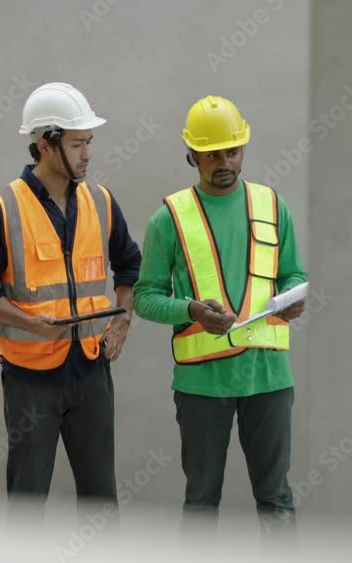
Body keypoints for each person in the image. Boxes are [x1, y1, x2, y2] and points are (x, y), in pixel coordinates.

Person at [0, 82, 141, 517]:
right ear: (45, 144)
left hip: (91, 369)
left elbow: (129, 264)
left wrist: (122, 321)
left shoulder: (101, 202)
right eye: (78, 144)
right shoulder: (0, 209)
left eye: (89, 142)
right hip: (30, 380)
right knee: (27, 500)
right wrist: (29, 322)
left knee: (101, 500)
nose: (87, 154)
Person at [132, 96, 307, 535]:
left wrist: (292, 297)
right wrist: (189, 309)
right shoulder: (168, 220)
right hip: (202, 385)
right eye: (212, 155)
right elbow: (145, 297)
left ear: (244, 148)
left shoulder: (273, 206)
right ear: (192, 154)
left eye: (232, 151)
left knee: (276, 500)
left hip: (269, 378)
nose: (224, 163)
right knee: (201, 503)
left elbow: (293, 274)